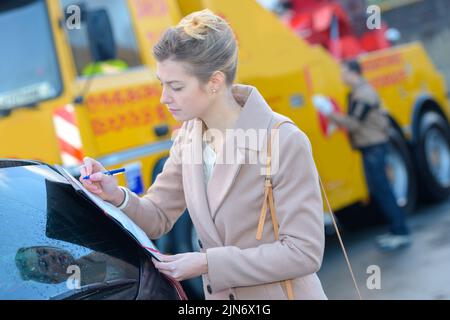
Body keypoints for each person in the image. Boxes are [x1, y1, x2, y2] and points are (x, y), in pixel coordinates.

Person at [79, 9, 327, 300]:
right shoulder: (188, 138)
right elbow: (157, 216)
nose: (164, 98)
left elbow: (304, 253)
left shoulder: (284, 139)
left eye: (176, 86)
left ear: (214, 82)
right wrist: (117, 195)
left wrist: (208, 263)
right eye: (162, 84)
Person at [319, 60, 411, 251]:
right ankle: (396, 230)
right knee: (380, 190)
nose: (341, 76)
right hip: (371, 147)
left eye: (344, 72)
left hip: (374, 147)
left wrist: (329, 113)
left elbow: (353, 123)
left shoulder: (363, 95)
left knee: (383, 189)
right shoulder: (359, 92)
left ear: (354, 73)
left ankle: (401, 232)